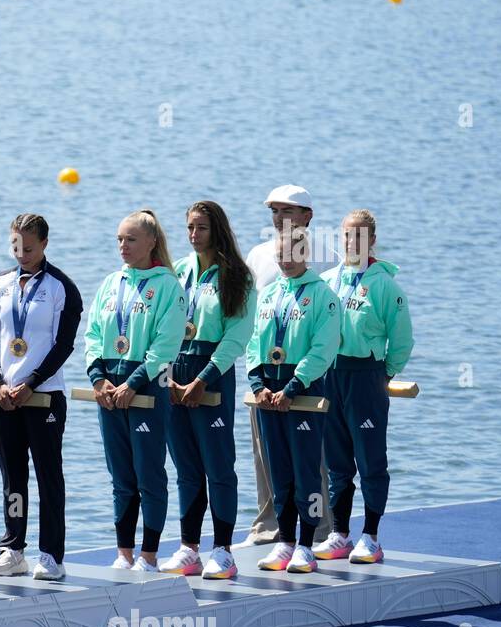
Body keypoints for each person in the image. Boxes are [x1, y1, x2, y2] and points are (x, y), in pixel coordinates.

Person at [83, 210, 185, 572]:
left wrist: (133, 383)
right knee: (120, 476)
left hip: (145, 388)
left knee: (148, 473)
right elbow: (93, 334)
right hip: (110, 390)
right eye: (119, 240)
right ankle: (123, 553)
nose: (123, 246)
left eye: (131, 239)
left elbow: (166, 344)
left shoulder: (168, 286)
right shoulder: (112, 283)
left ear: (151, 242)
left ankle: (149, 555)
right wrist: (98, 378)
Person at [159, 202, 257, 580]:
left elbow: (237, 337)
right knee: (185, 468)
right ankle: (189, 548)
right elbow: (163, 328)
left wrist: (203, 379)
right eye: (189, 228)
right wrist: (167, 379)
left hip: (211, 374)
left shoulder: (237, 277)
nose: (193, 235)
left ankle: (223, 549)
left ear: (217, 230)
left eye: (201, 227)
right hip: (176, 371)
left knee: (218, 467)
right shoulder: (178, 271)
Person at [0, 214, 84, 580]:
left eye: (28, 247)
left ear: (44, 243)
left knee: (48, 477)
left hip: (43, 398)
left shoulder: (62, 288)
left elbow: (64, 344)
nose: (21, 254)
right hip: (6, 398)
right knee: (13, 478)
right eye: (15, 247)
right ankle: (13, 548)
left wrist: (32, 382)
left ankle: (51, 554)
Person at [315, 209, 414, 564]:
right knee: (337, 462)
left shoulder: (385, 285)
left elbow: (402, 338)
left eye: (359, 237)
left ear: (371, 241)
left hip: (366, 376)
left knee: (371, 461)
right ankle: (339, 534)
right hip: (330, 376)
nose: (351, 242)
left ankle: (371, 536)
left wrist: (386, 373)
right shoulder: (326, 281)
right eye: (345, 236)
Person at [245, 224, 341, 572]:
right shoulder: (268, 295)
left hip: (303, 392)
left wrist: (293, 387)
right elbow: (254, 341)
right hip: (269, 394)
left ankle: (306, 543)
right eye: (280, 254)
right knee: (279, 472)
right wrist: (258, 384)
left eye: (292, 254)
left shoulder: (323, 295)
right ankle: (284, 541)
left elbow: (323, 348)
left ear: (305, 254)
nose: (285, 260)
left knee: (307, 473)